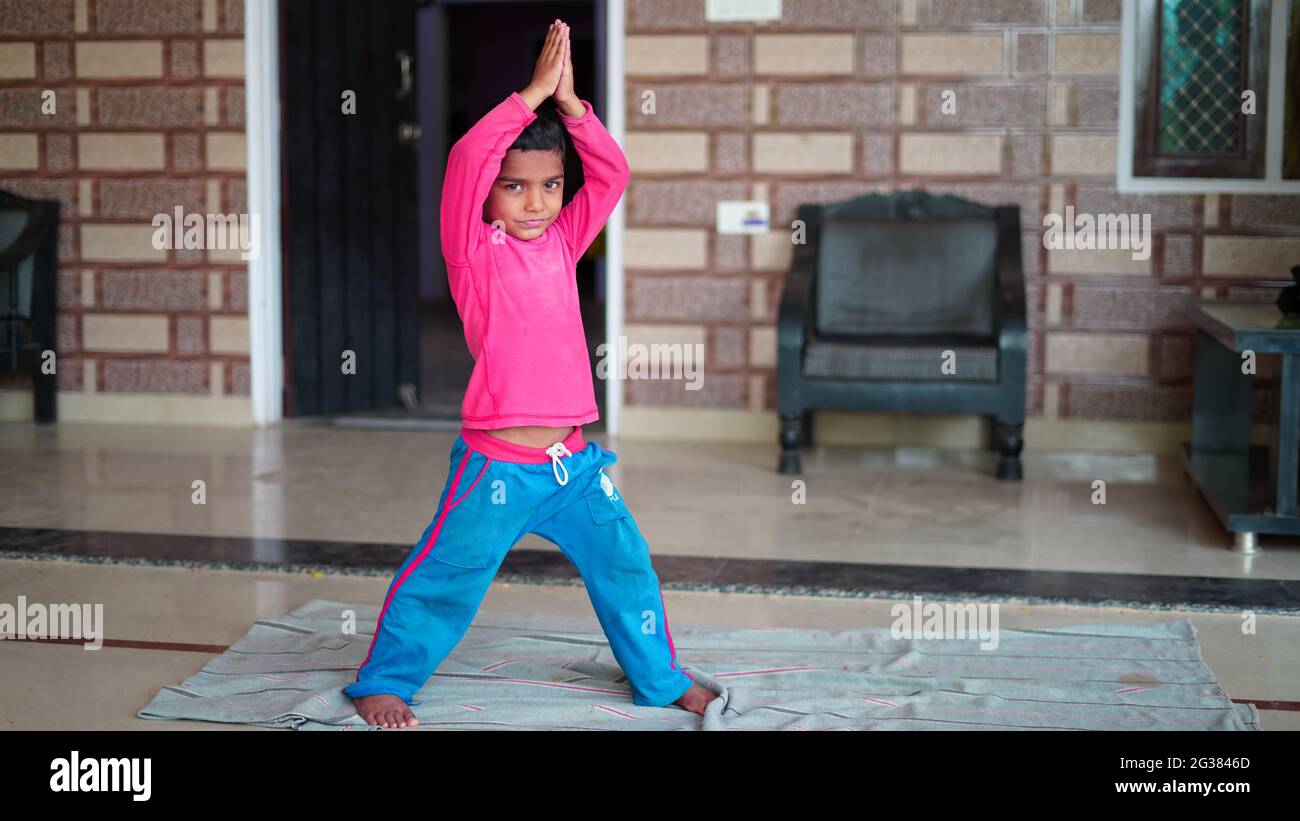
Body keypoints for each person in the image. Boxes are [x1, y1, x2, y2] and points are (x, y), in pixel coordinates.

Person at [344, 19, 717, 728]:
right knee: (446, 576)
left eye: (548, 186)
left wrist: (572, 107)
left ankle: (660, 678)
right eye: (515, 187)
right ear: (489, 194)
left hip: (574, 464)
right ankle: (384, 681)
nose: (537, 202)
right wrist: (530, 96)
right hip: (496, 468)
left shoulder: (565, 239)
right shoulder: (472, 255)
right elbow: (464, 161)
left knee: (627, 564)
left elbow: (611, 175)